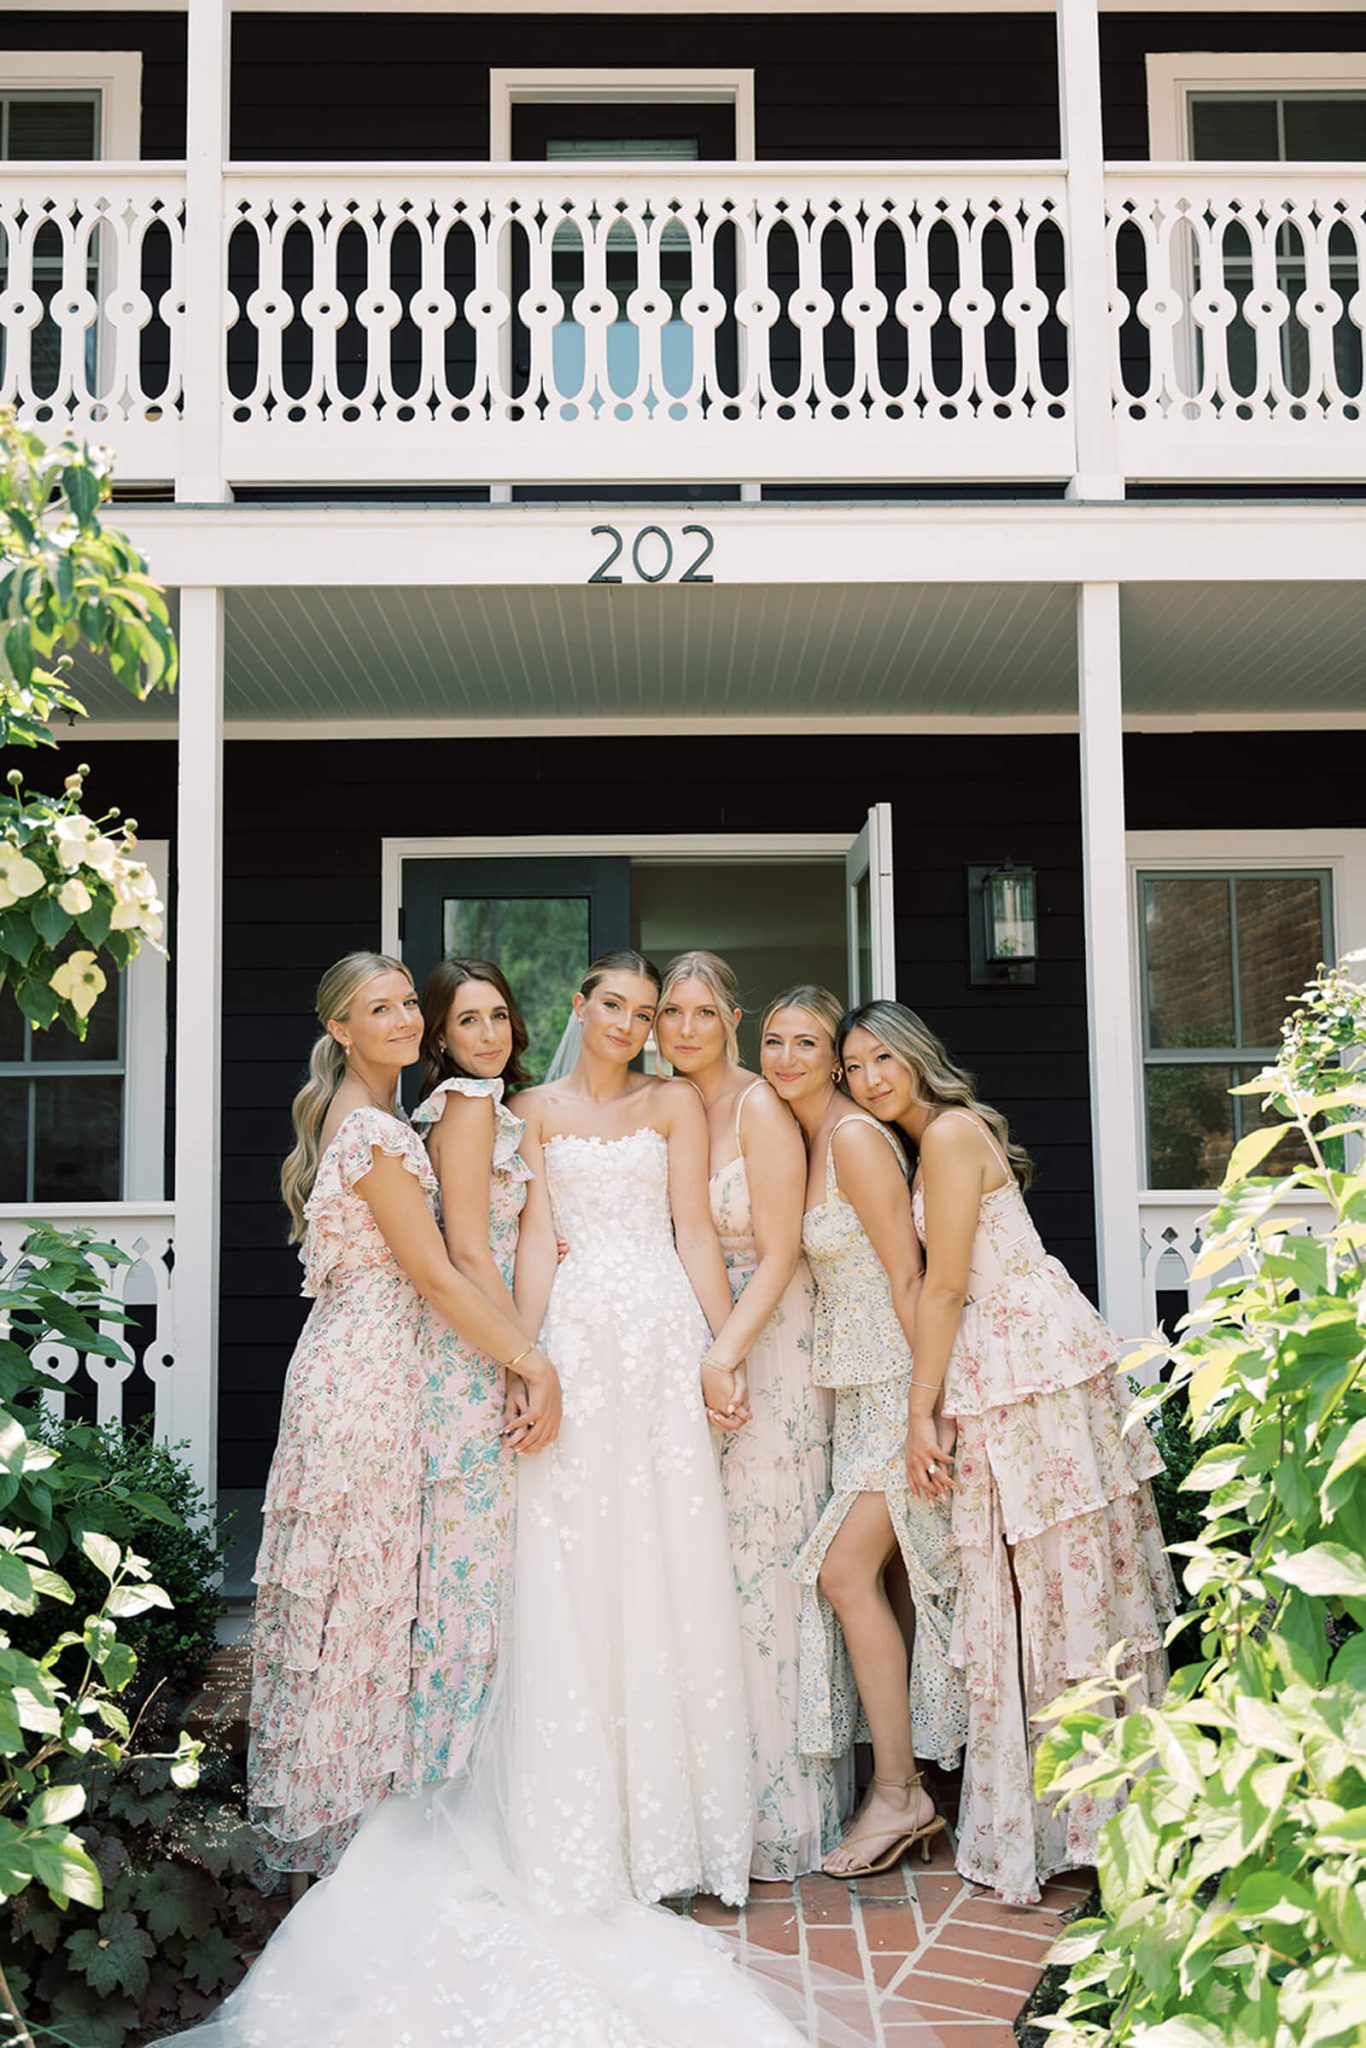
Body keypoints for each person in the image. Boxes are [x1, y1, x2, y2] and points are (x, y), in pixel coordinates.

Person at [840, 999, 1177, 1906]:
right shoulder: (931, 1140)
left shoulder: (951, 1134)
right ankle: (1073, 1814)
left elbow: (946, 1284)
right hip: (1010, 1362)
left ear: (916, 1055)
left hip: (1030, 1368)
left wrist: (921, 1409)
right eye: (854, 1067)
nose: (869, 1080)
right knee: (1038, 1585)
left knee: (1064, 1581)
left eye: (882, 1058)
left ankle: (1109, 1814)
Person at [254, 953, 560, 1876]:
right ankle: (352, 1845)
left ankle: (368, 1830)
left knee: (375, 1597)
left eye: (402, 1005)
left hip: (383, 1365)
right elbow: (434, 1272)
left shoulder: (385, 1115)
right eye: (375, 1009)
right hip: (368, 1378)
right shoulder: (371, 1132)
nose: (399, 1021)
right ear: (339, 1029)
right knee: (361, 1598)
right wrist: (531, 1360)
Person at [510, 946, 755, 1904]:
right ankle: (584, 1813)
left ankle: (673, 1824)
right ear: (580, 1006)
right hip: (575, 1340)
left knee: (668, 1549)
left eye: (644, 1013)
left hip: (659, 1339)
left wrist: (721, 1349)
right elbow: (536, 1240)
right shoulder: (530, 1110)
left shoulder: (673, 1104)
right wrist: (523, 1359)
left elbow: (693, 1230)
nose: (629, 1024)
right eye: (613, 1005)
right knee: (575, 1550)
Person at [761, 985, 966, 1880]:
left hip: (893, 1383)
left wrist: (930, 1408)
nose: (789, 1059)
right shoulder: (811, 1134)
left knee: (844, 1572)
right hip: (857, 1390)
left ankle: (899, 1792)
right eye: (776, 1042)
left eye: (810, 1044)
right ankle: (907, 1784)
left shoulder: (851, 1137)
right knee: (882, 1578)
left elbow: (910, 1276)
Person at [655, 950, 845, 1880]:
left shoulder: (759, 1108)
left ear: (731, 1019)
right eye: (671, 1013)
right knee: (703, 1565)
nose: (685, 1029)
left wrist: (725, 1352)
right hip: (687, 1351)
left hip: (765, 1345)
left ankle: (780, 1804)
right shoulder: (663, 1105)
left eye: (703, 1012)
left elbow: (779, 1253)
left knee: (765, 1563)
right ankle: (700, 1794)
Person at [403, 956, 538, 1789]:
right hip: (475, 1356)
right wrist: (523, 1361)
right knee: (471, 1563)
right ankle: (456, 1774)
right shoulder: (467, 1103)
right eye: (467, 1022)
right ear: (441, 1039)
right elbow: (468, 1250)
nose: (488, 1035)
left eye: (497, 1017)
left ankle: (465, 1761)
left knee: (472, 1556)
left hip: (474, 1341)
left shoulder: (471, 1104)